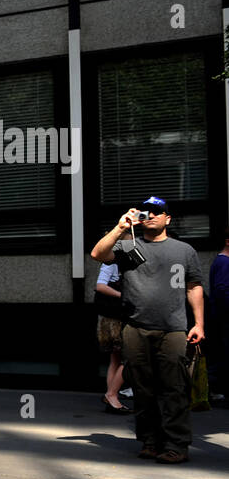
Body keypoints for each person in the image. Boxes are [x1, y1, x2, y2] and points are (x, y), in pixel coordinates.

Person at [89, 196, 204, 464]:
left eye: (157, 212)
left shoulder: (184, 250)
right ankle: (151, 441)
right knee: (143, 389)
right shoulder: (130, 247)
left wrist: (199, 323)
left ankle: (176, 444)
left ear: (167, 218)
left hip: (173, 329)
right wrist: (120, 227)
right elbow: (97, 254)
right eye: (146, 212)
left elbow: (194, 287)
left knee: (174, 388)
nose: (150, 216)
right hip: (135, 328)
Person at [95, 259, 131, 414]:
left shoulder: (119, 262)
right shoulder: (111, 263)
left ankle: (110, 396)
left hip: (113, 316)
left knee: (115, 359)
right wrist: (122, 295)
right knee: (130, 357)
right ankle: (111, 394)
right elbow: (100, 286)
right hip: (115, 318)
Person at [206, 227, 229, 402]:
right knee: (223, 357)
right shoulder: (224, 263)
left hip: (221, 317)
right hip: (224, 318)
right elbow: (222, 291)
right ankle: (211, 389)